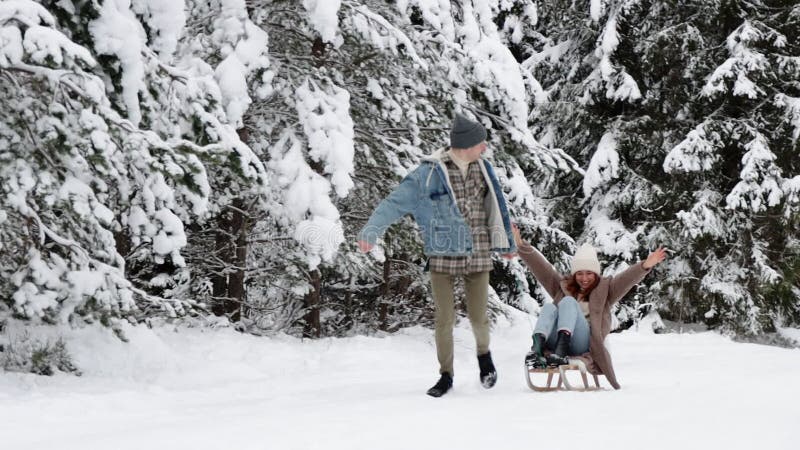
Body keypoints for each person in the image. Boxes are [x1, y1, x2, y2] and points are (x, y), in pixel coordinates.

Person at [357, 113, 516, 397]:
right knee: (444, 319)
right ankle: (445, 375)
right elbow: (394, 202)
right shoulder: (428, 175)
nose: (485, 147)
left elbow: (497, 206)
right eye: (481, 142)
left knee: (479, 317)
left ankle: (484, 357)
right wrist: (371, 231)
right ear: (466, 144)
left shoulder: (485, 168)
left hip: (478, 253)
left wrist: (506, 244)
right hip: (442, 255)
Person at [512, 225, 667, 389]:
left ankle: (561, 350)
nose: (584, 278)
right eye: (579, 273)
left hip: (583, 342)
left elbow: (626, 279)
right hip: (555, 341)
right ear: (574, 274)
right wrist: (521, 245)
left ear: (595, 273)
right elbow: (542, 268)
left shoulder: (606, 290)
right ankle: (537, 348)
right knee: (550, 308)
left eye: (589, 273)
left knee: (568, 303)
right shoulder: (562, 286)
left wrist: (645, 265)